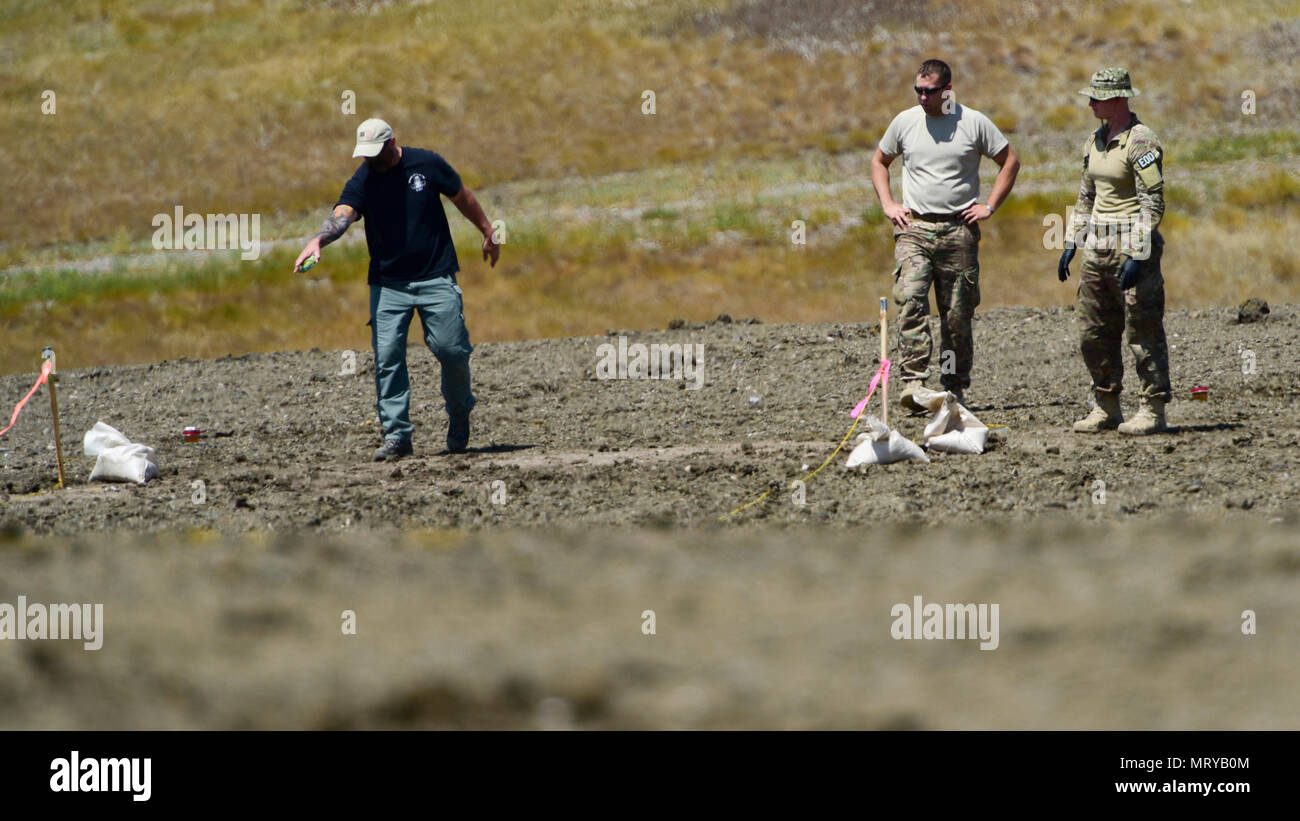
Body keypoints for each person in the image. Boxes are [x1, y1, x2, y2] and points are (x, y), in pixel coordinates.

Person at [294, 118, 499, 460]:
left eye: (376, 152)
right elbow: (343, 214)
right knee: (388, 358)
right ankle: (397, 435)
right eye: (366, 155)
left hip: (436, 275)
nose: (371, 160)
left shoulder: (426, 164)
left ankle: (460, 413)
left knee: (451, 350)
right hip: (389, 285)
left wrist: (487, 231)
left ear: (392, 142)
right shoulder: (363, 180)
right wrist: (319, 240)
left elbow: (460, 194)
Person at [871, 58, 1019, 410]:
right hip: (915, 228)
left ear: (947, 90)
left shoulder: (973, 122)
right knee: (910, 298)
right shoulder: (905, 122)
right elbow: (879, 161)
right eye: (918, 90)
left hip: (959, 230)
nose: (923, 97)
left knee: (955, 316)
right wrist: (889, 203)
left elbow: (1010, 161)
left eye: (930, 91)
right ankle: (913, 381)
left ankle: (953, 385)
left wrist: (989, 206)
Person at [1058, 68, 1170, 435]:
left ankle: (1152, 409)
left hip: (1130, 245)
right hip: (1098, 248)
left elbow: (1152, 200)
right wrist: (1072, 240)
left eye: (1097, 97)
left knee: (1142, 329)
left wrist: (1138, 254)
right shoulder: (1095, 140)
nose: (1090, 103)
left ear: (1119, 98)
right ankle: (1106, 405)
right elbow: (1087, 195)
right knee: (1093, 331)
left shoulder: (1141, 142)